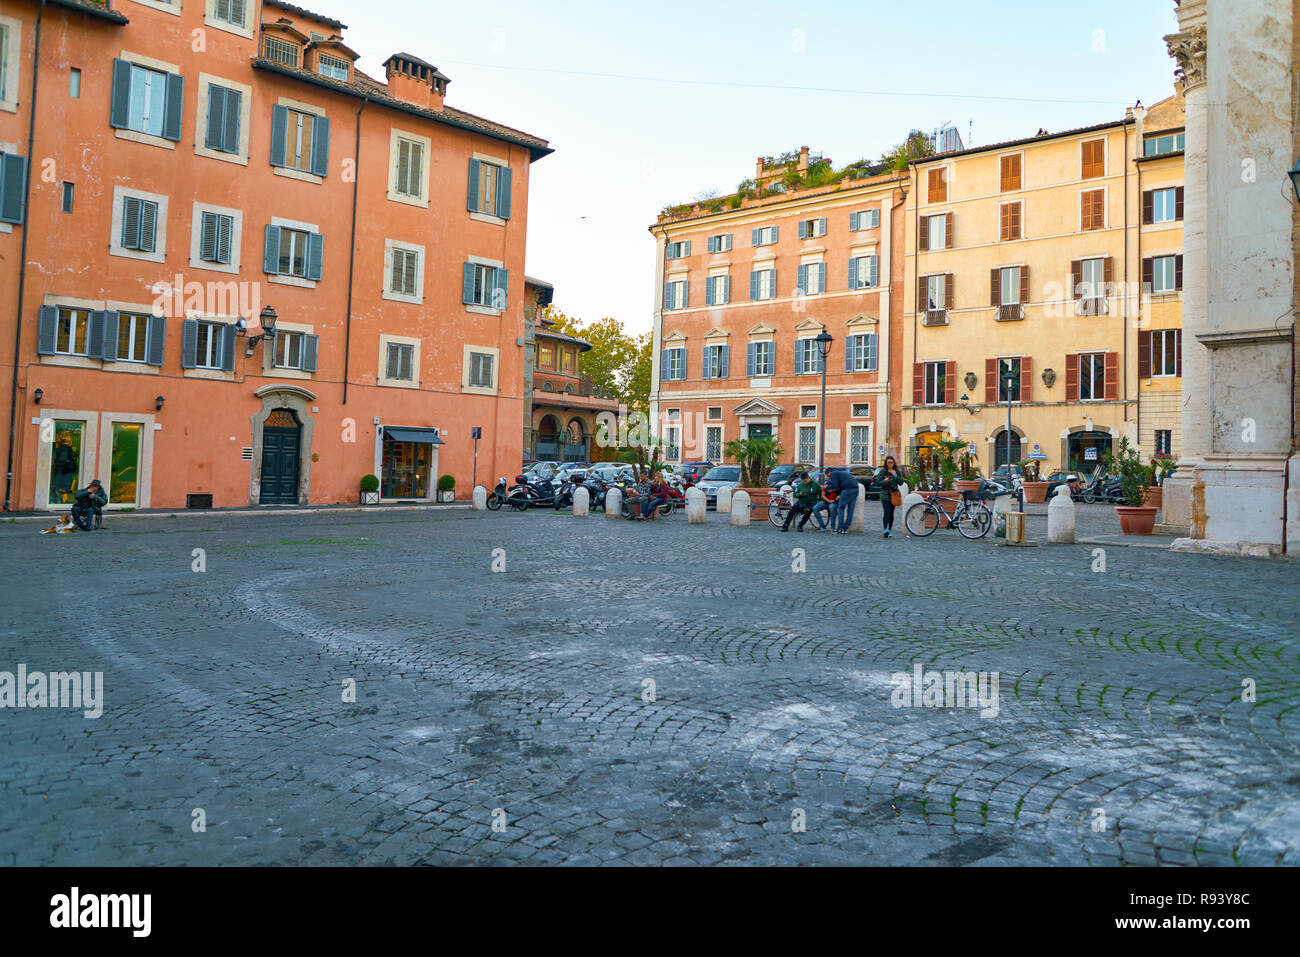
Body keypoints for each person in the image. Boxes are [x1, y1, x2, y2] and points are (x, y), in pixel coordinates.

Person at [824, 467, 860, 534]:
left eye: (828, 475)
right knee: (850, 510)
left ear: (829, 472)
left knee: (840, 508)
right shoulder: (841, 473)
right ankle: (845, 528)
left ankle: (840, 528)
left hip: (847, 490)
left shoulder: (833, 473)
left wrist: (827, 487)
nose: (829, 477)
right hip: (856, 489)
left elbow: (835, 485)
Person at [875, 455, 903, 538]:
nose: (890, 464)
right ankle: (885, 530)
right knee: (886, 512)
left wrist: (895, 475)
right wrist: (885, 481)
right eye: (888, 462)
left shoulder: (896, 471)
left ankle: (890, 529)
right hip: (885, 494)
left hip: (894, 494)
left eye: (891, 462)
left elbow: (901, 482)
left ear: (894, 463)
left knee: (891, 513)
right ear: (886, 463)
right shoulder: (883, 471)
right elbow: (878, 482)